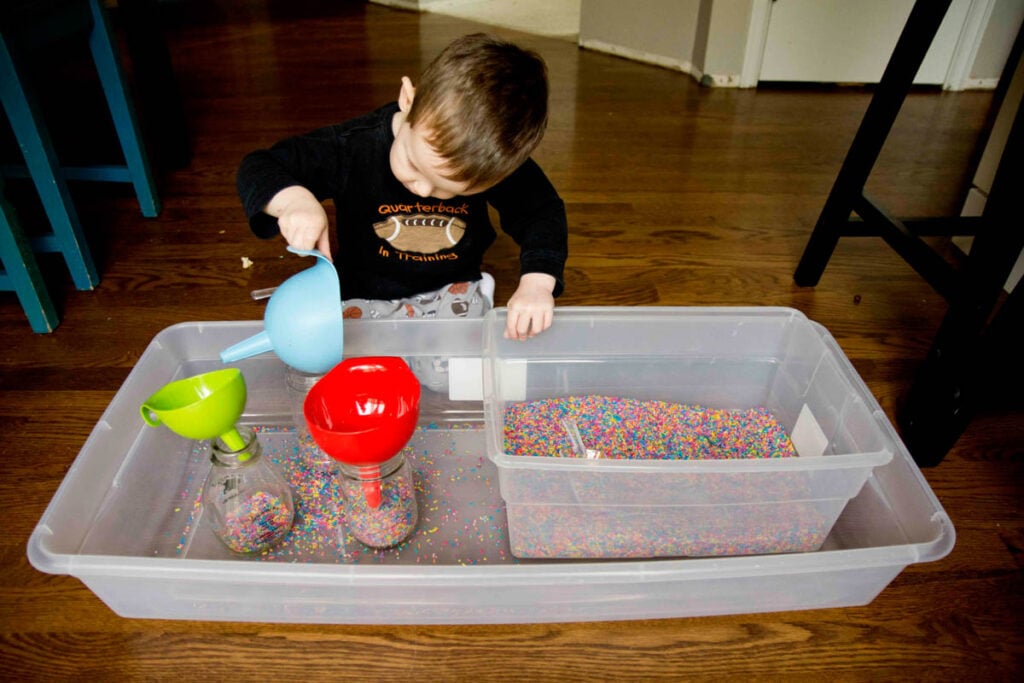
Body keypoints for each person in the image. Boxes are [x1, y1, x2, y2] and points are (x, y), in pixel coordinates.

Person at [236, 33, 568, 341]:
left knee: (457, 377)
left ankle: (480, 294)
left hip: (450, 289)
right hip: (363, 289)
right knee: (346, 365)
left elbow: (541, 212)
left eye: (448, 190)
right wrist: (292, 200)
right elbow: (259, 166)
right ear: (408, 99)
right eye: (413, 164)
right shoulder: (351, 146)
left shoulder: (489, 157)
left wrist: (538, 282)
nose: (422, 191)